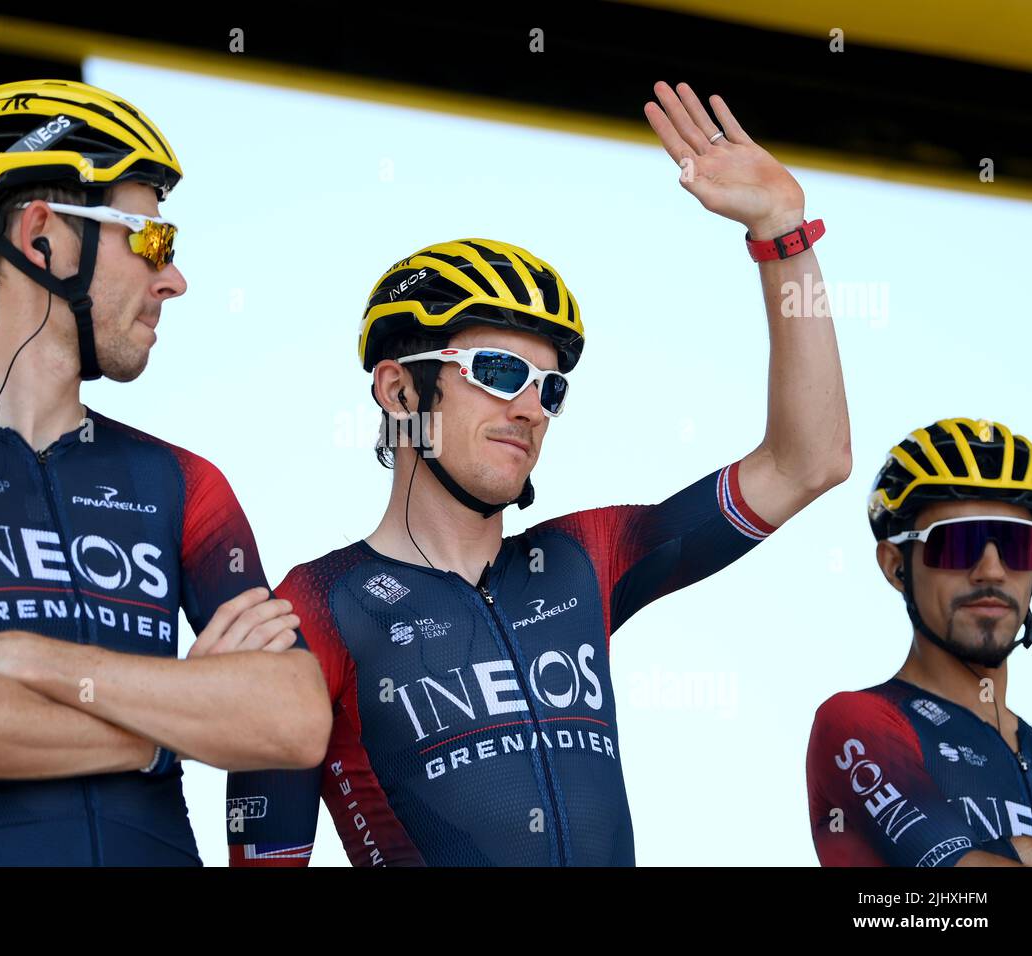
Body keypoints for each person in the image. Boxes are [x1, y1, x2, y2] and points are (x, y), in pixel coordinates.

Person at [224, 81, 850, 866]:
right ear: (397, 389)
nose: (529, 406)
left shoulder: (587, 557)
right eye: (495, 369)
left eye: (549, 387)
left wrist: (783, 235)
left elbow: (810, 459)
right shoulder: (312, 608)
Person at [0, 78, 329, 866]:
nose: (173, 278)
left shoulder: (185, 482)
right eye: (149, 239)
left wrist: (17, 656)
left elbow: (291, 720)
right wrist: (172, 720)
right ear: (44, 237)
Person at [807, 418, 1032, 867]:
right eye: (957, 544)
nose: (991, 571)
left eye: (1018, 545)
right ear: (896, 566)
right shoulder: (856, 722)